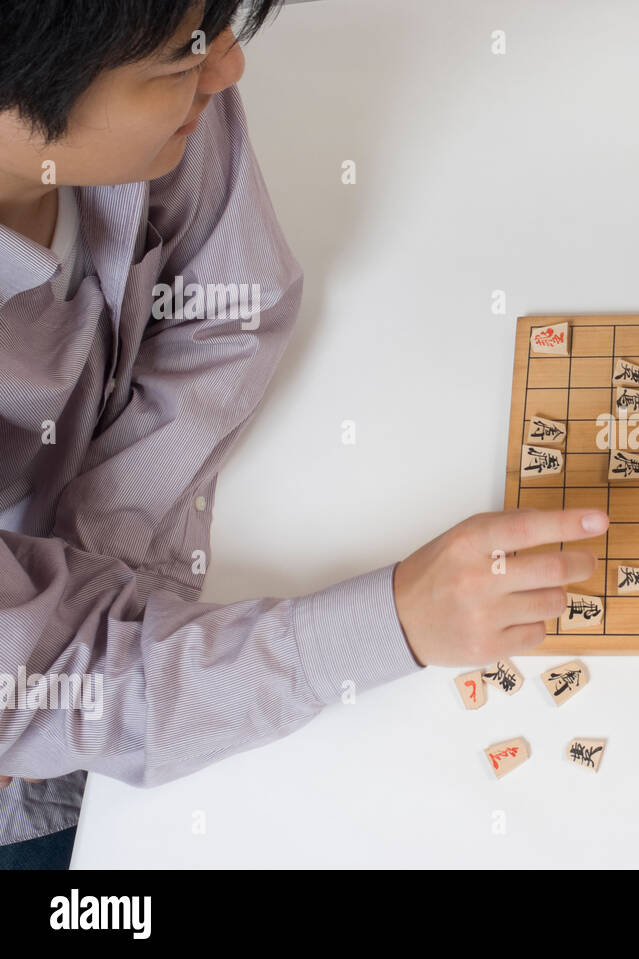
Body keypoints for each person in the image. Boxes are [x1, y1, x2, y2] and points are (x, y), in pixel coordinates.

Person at [0, 0, 604, 869]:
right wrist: (389, 623)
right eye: (181, 62)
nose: (227, 69)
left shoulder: (154, 90)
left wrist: (107, 558)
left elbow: (231, 306)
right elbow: (54, 691)